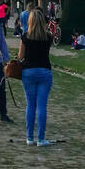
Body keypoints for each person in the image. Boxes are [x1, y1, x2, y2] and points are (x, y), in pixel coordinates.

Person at [18, 8, 53, 146]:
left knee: (30, 105)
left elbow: (21, 56)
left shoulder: (26, 36)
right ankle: (41, 138)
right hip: (44, 70)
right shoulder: (48, 37)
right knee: (42, 106)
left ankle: (29, 137)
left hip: (29, 72)